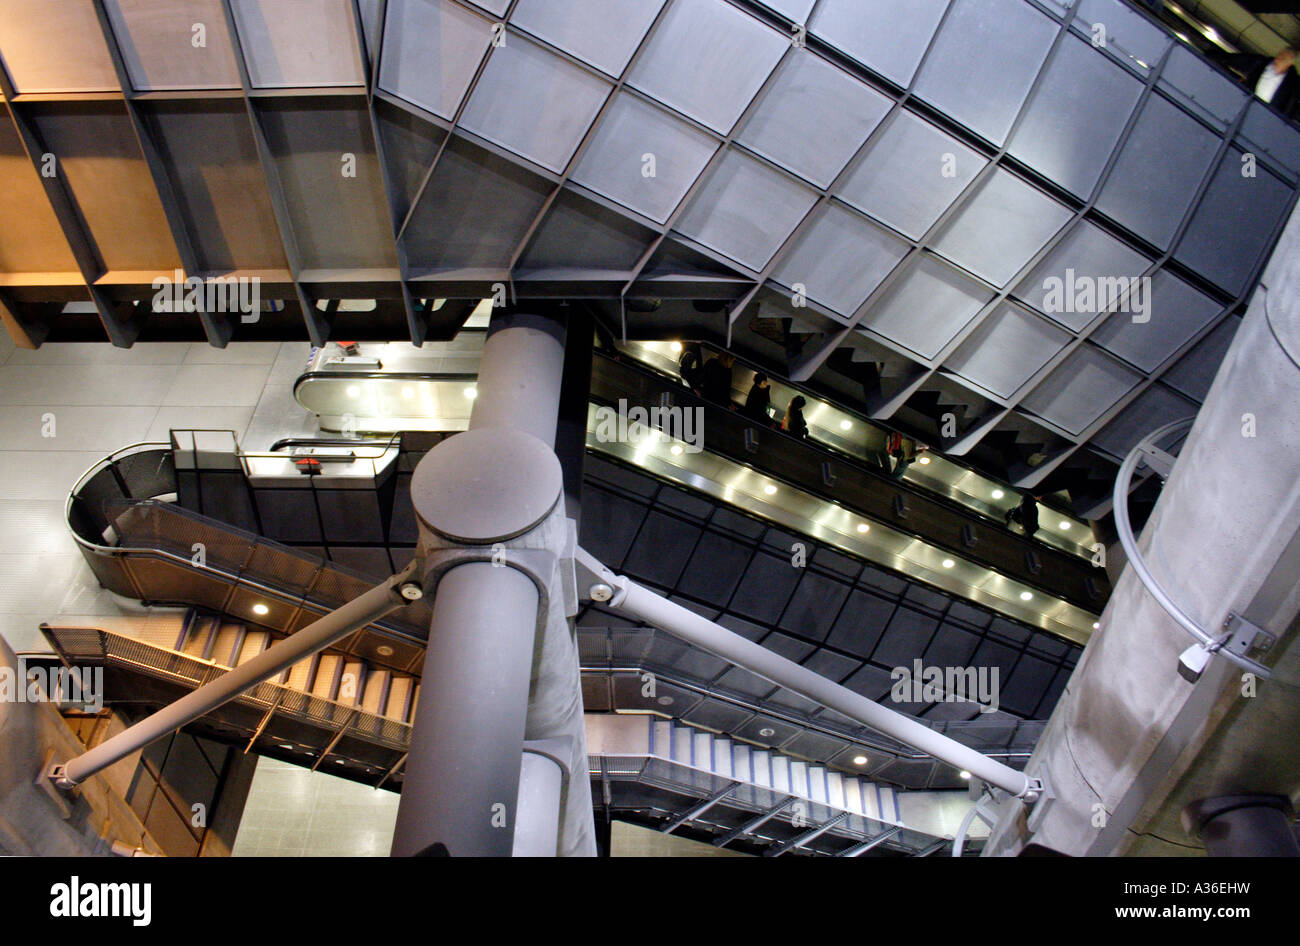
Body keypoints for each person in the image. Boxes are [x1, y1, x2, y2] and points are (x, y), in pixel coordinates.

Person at [1214, 46, 1299, 118]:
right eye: (1280, 54)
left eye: (1283, 58)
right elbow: (1239, 60)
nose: (1279, 58)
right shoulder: (1262, 63)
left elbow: (1289, 110)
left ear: (1288, 64)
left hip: (1261, 116)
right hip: (1242, 102)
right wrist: (1218, 57)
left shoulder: (1292, 87)